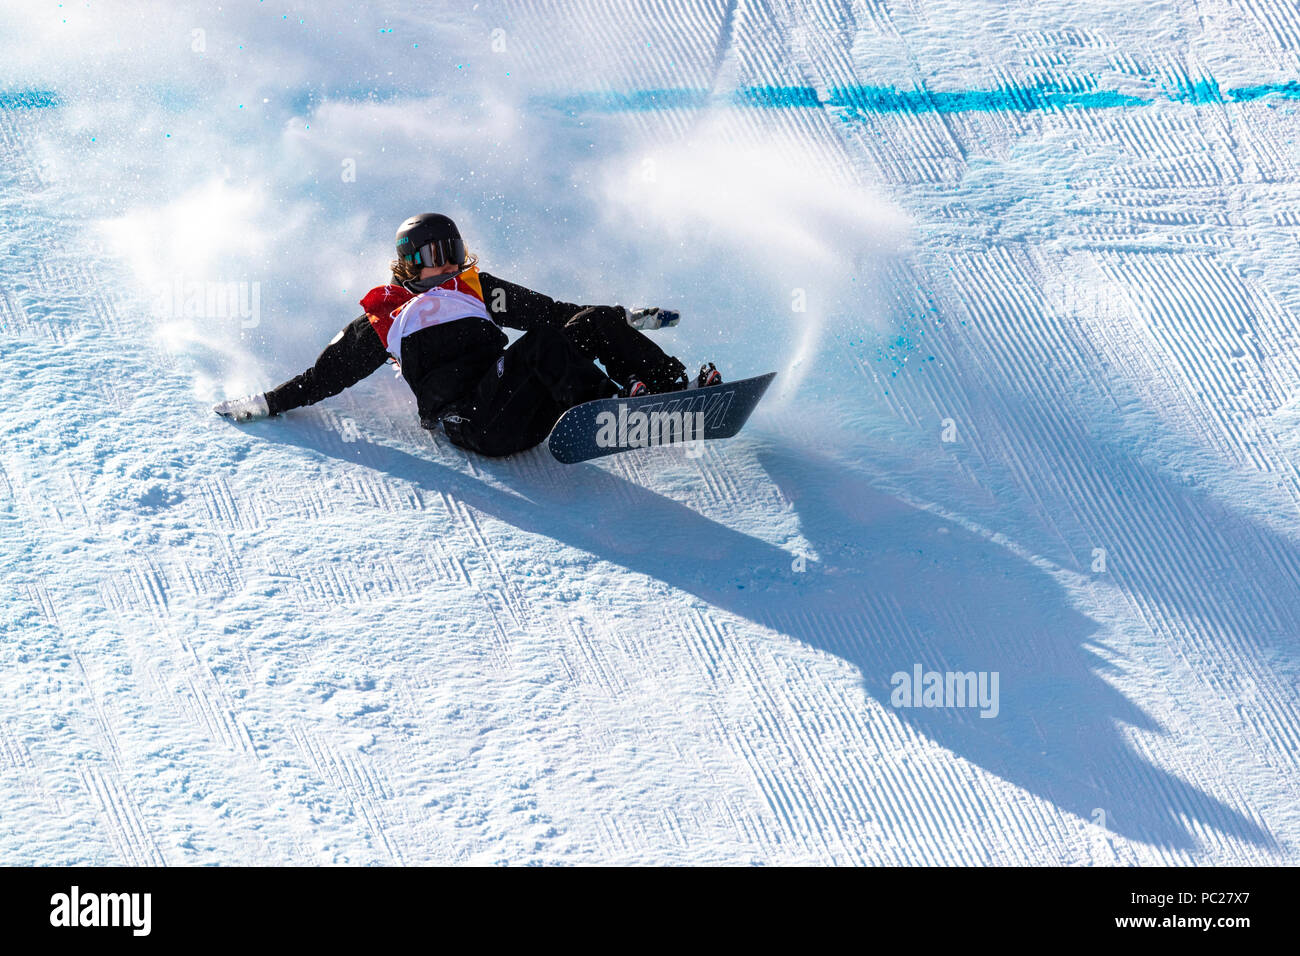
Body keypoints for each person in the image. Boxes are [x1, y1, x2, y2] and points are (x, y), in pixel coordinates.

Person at [214, 213, 721, 457]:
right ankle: (608, 411)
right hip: (475, 422)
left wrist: (627, 317)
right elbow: (326, 376)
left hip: (518, 400)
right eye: (432, 257)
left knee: (580, 325)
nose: (444, 267)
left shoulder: (476, 289)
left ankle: (667, 392)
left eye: (451, 253)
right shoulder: (385, 315)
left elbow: (556, 311)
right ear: (407, 263)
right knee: (545, 343)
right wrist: (268, 402)